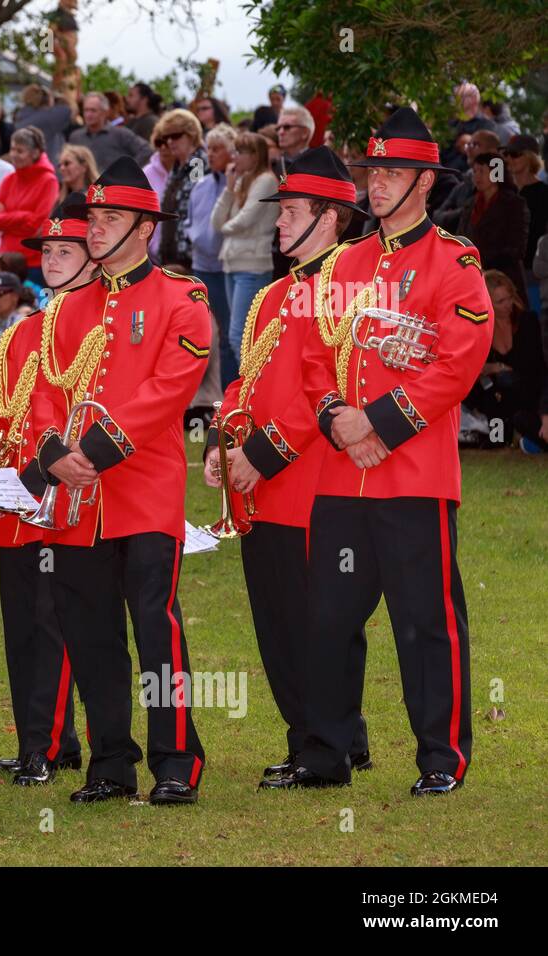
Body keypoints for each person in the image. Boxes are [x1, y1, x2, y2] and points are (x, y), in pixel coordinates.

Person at [268, 108, 493, 796]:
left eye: (394, 173)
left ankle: (440, 760)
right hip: (342, 474)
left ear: (425, 181)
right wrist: (339, 418)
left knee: (425, 621)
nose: (380, 185)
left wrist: (379, 425)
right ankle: (327, 753)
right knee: (328, 618)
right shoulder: (348, 262)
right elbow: (313, 353)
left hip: (412, 474)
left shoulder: (453, 259)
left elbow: (459, 359)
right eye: (373, 173)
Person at [32, 156, 211, 806]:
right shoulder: (70, 307)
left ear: (145, 227)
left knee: (154, 629)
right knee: (90, 632)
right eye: (93, 217)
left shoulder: (182, 297)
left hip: (144, 492)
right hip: (78, 498)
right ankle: (110, 762)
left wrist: (91, 447)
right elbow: (45, 386)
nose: (96, 228)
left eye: (110, 218)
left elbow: (170, 390)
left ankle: (175, 761)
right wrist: (55, 451)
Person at [205, 146, 373, 785]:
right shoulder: (276, 292)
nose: (278, 221)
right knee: (278, 621)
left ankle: (323, 752)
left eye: (292, 210)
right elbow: (247, 379)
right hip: (263, 484)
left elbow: (329, 389)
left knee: (320, 621)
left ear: (330, 217)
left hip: (316, 482)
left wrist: (262, 454)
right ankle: (331, 735)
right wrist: (224, 445)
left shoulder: (349, 285)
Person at [0, 212, 92, 786]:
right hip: (13, 498)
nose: (53, 259)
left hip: (64, 493)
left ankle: (48, 746)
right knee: (20, 626)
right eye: (48, 251)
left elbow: (72, 414)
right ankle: (36, 742)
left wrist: (37, 469)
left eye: (67, 250)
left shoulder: (96, 325)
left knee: (53, 624)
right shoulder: (20, 331)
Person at [212, 131, 279, 378]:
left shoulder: (266, 180)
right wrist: (229, 190)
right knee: (237, 335)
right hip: (232, 264)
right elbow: (216, 220)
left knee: (240, 335)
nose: (234, 157)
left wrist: (225, 228)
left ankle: (252, 392)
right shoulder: (242, 180)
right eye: (234, 151)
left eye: (240, 152)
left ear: (255, 155)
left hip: (253, 266)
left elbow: (243, 220)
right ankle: (249, 391)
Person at [462, 269, 545, 448]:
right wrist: (495, 367)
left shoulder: (527, 322)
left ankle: (520, 436)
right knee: (493, 390)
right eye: (500, 301)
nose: (508, 305)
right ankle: (498, 438)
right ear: (487, 303)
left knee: (509, 388)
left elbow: (534, 368)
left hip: (530, 394)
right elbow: (471, 366)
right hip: (498, 397)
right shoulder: (481, 330)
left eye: (509, 297)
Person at [189, 125, 235, 392]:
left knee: (229, 335)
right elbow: (191, 220)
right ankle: (199, 399)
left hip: (225, 268)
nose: (211, 154)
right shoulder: (201, 184)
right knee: (200, 334)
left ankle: (229, 395)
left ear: (232, 153)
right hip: (200, 265)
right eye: (209, 148)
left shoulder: (236, 186)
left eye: (218, 149)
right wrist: (193, 237)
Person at [0, 127, 59, 282]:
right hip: (5, 260)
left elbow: (36, 225)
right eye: (12, 149)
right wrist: (24, 217)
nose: (14, 155)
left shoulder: (48, 180)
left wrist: (4, 218)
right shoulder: (9, 179)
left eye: (20, 151)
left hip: (32, 263)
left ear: (35, 153)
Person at [459, 150, 530, 302]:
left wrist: (483, 261)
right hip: (473, 277)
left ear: (497, 173)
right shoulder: (469, 204)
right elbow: (460, 238)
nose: (477, 176)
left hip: (504, 279)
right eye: (475, 171)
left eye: (482, 171)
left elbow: (517, 246)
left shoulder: (513, 204)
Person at [154, 109, 207, 269]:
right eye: (166, 137)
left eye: (175, 136)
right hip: (170, 255)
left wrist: (189, 253)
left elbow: (199, 210)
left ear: (191, 135)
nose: (170, 142)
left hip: (191, 259)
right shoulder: (177, 167)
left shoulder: (198, 163)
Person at [505, 134, 548, 314]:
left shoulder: (543, 193)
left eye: (515, 154)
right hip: (506, 270)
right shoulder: (505, 193)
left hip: (531, 272)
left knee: (533, 325)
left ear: (530, 157)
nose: (508, 159)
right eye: (506, 154)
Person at [68, 93, 152, 171]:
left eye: (93, 110)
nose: (88, 115)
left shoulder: (120, 134)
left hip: (112, 185)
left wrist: (128, 171)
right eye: (86, 110)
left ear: (105, 112)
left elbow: (146, 150)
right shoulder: (76, 136)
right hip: (86, 186)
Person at [55, 143, 99, 214]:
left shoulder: (97, 198)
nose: (62, 168)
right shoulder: (59, 198)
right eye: (60, 165)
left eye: (67, 163)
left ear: (84, 167)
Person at [273, 105, 315, 176]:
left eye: (287, 127)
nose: (280, 132)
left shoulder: (318, 163)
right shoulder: (272, 163)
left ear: (305, 133)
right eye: (278, 128)